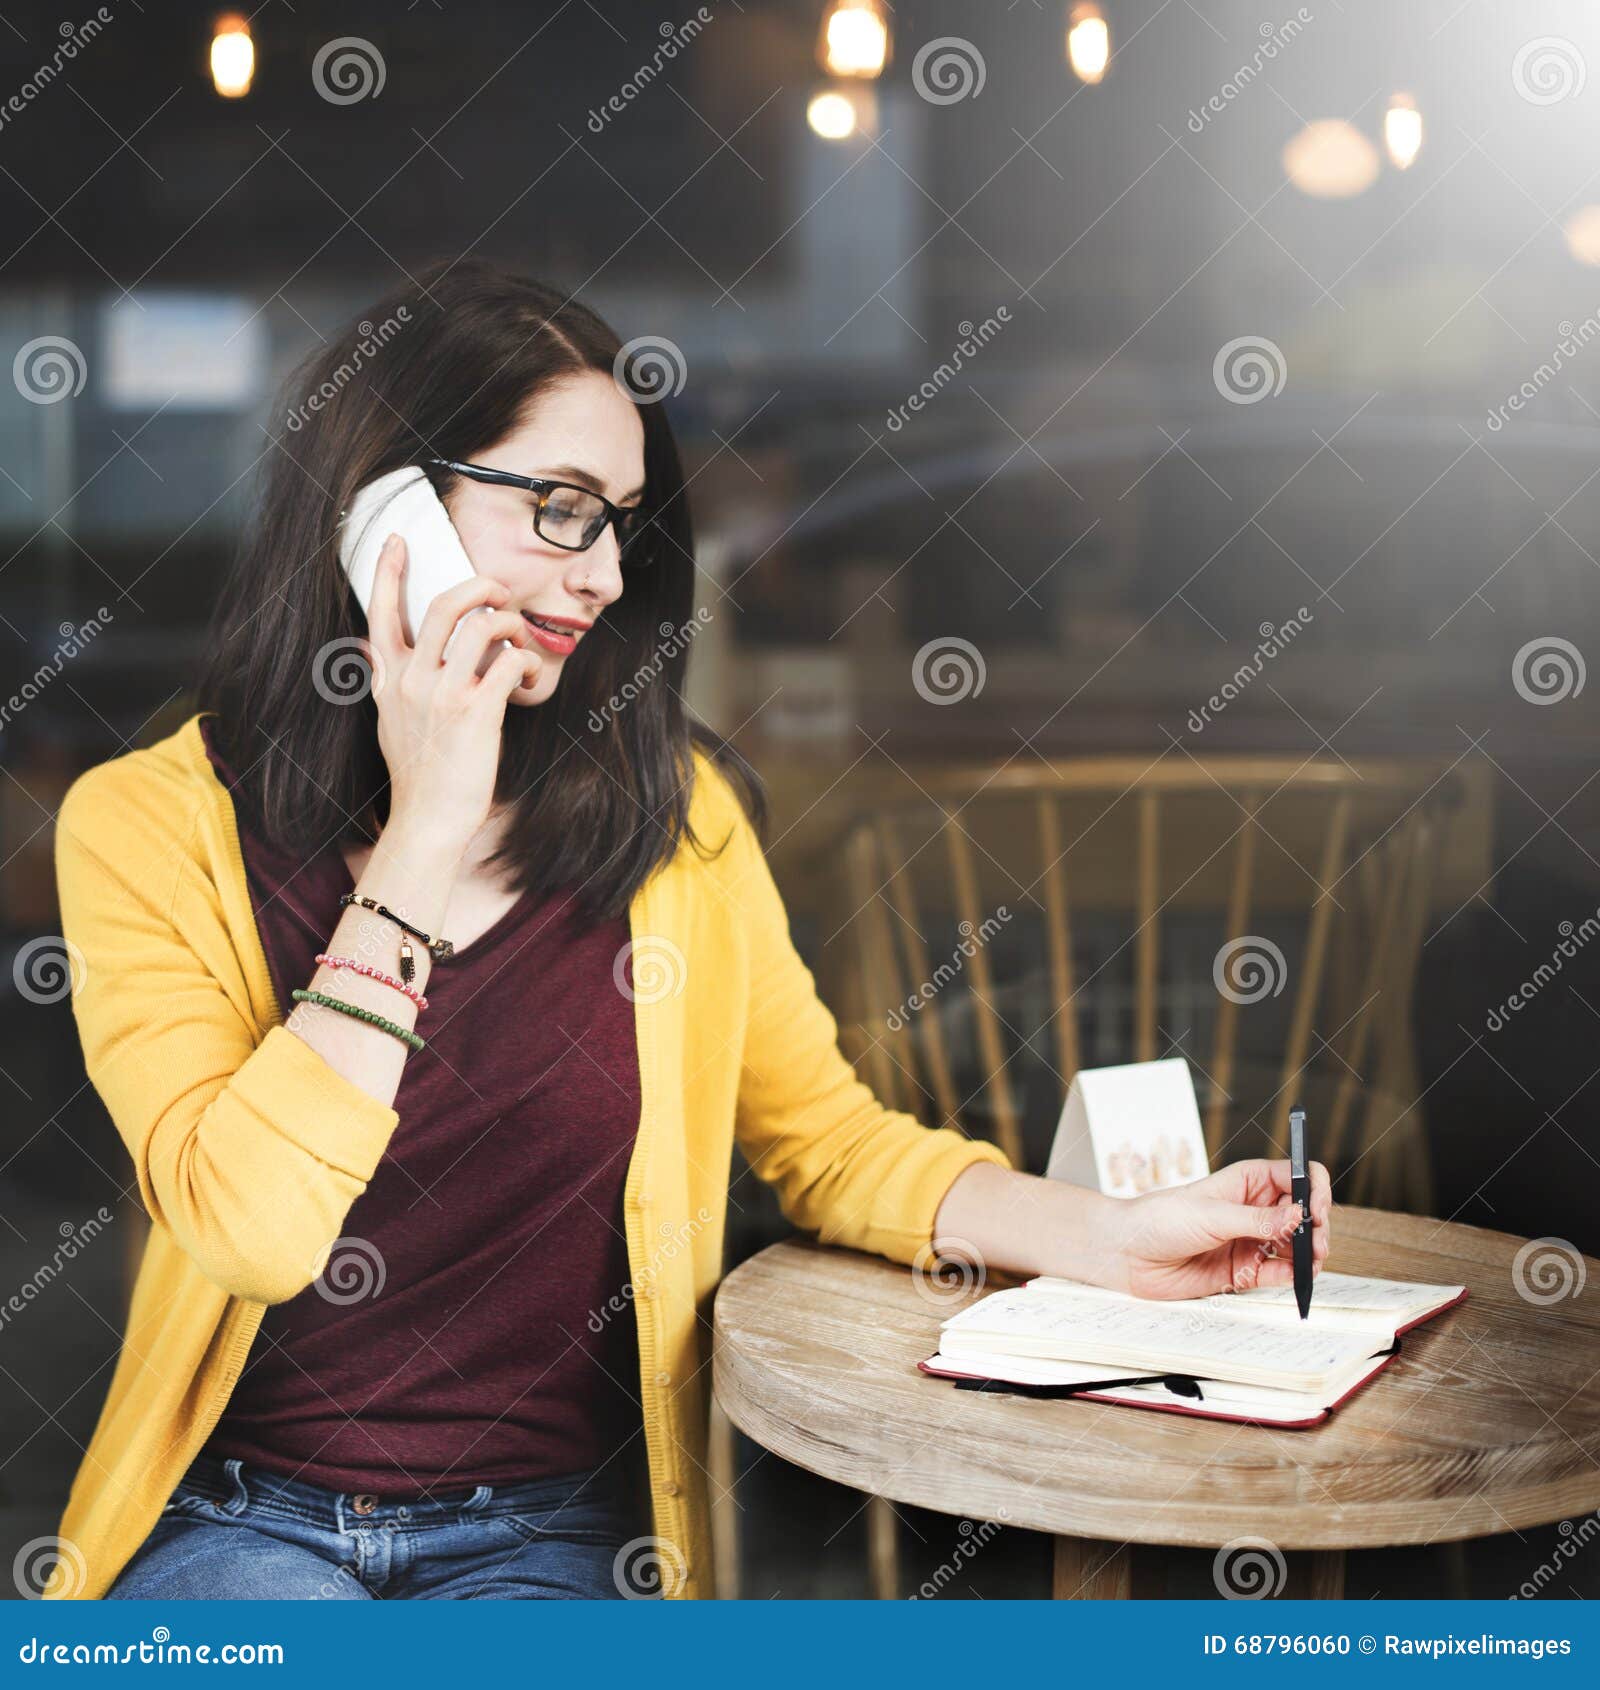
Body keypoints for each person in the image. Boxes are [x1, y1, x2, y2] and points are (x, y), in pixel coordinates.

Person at [46, 258, 1331, 1601]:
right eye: (558, 510)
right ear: (384, 512)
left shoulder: (676, 821)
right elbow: (253, 1233)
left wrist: (1110, 1235)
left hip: (548, 1536)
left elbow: (827, 1144)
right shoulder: (144, 830)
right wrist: (427, 829)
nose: (603, 572)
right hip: (250, 1528)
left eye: (622, 524)